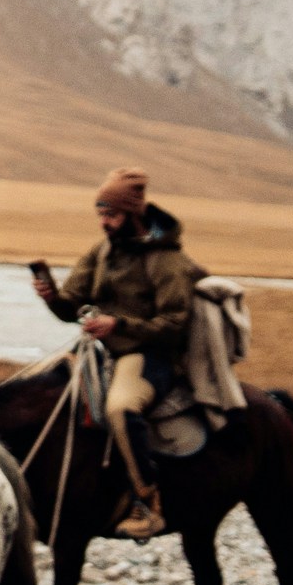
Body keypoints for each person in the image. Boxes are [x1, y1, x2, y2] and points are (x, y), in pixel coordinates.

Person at [33, 165, 202, 539]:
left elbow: (176, 322)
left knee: (120, 408)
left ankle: (147, 502)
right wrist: (52, 298)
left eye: (111, 214)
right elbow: (71, 306)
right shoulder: (103, 250)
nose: (103, 222)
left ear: (133, 214)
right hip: (103, 351)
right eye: (100, 213)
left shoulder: (166, 259)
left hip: (150, 356)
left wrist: (119, 325)